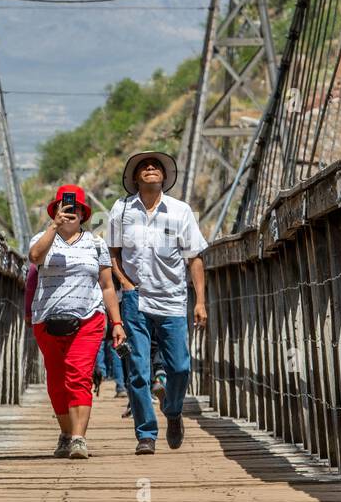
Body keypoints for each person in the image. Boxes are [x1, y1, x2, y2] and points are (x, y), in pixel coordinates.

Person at [108, 152, 208, 455]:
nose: (151, 169)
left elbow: (195, 258)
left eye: (156, 167)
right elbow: (112, 253)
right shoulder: (121, 209)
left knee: (179, 367)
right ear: (135, 177)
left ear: (164, 177)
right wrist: (125, 283)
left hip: (173, 298)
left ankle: (174, 411)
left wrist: (200, 301)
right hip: (136, 300)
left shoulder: (180, 211)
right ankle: (146, 434)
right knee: (137, 370)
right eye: (144, 167)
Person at [29, 184, 127, 460]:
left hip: (89, 318)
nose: (70, 213)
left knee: (79, 375)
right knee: (57, 381)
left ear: (84, 214)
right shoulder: (42, 238)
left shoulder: (96, 244)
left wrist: (116, 322)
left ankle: (78, 439)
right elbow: (35, 258)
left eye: (75, 209)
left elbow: (107, 286)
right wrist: (53, 227)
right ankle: (66, 432)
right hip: (47, 319)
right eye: (64, 208)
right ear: (56, 210)